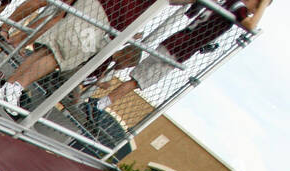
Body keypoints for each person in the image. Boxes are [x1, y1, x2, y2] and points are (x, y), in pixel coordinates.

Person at [0, 0, 194, 111]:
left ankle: (10, 86)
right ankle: (15, 87)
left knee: (51, 49)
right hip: (106, 10)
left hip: (107, 14)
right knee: (61, 54)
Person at [86, 0, 270, 112]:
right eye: (257, 6)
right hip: (179, 49)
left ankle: (97, 86)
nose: (255, 11)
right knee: (138, 81)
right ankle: (100, 105)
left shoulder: (229, 4)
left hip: (176, 43)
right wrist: (263, 5)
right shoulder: (238, 6)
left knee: (137, 75)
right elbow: (252, 25)